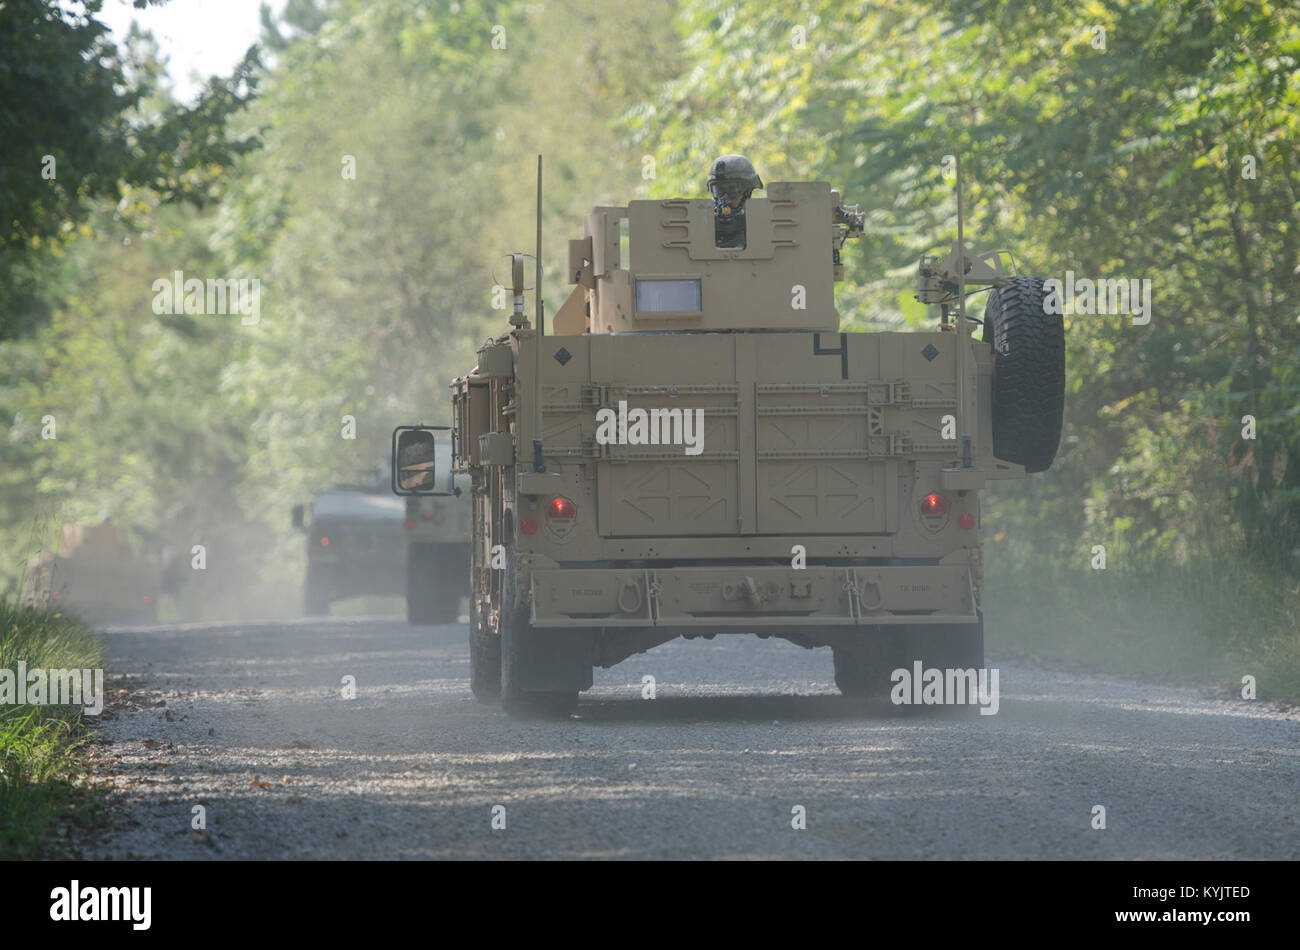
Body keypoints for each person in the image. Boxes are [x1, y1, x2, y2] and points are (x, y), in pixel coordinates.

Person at [707, 154, 763, 248]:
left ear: (748, 191)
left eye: (732, 189)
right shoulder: (704, 226)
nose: (725, 196)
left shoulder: (762, 225)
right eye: (720, 190)